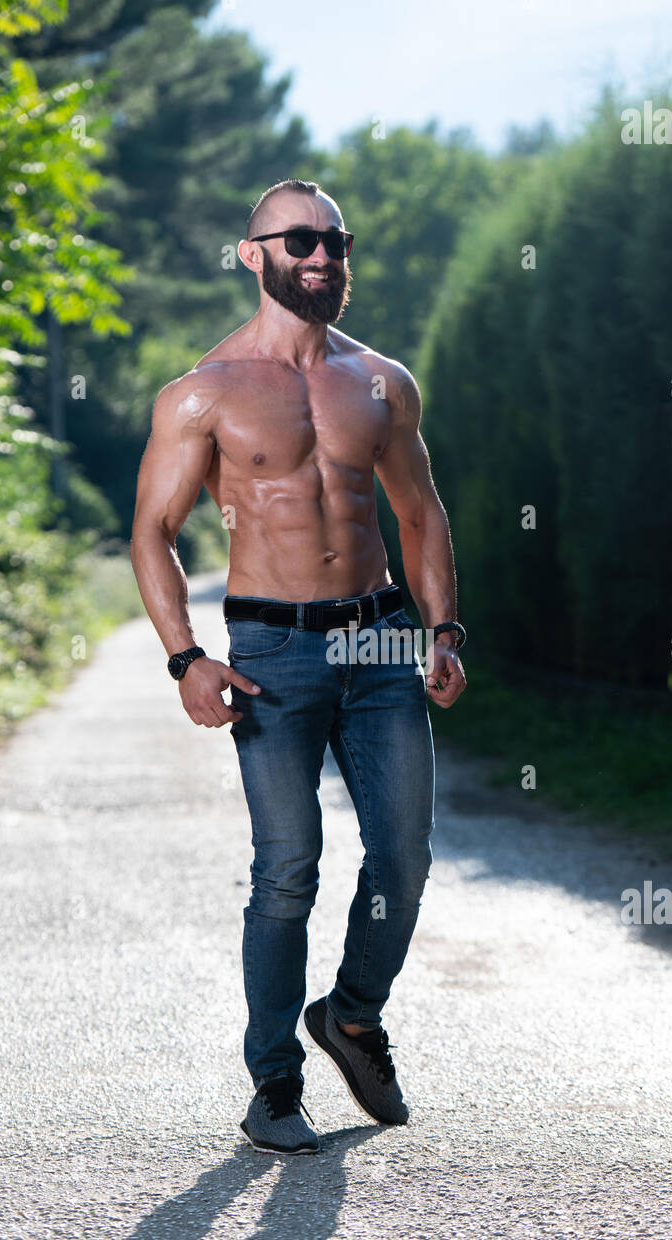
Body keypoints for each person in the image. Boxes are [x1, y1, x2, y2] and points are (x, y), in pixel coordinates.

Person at [130, 178, 466, 1156]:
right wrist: (185, 658)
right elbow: (152, 535)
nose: (322, 256)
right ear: (253, 254)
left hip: (379, 639)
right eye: (300, 240)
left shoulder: (379, 383)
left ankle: (351, 1015)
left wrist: (442, 630)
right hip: (271, 649)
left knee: (401, 857)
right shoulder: (203, 392)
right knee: (287, 869)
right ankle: (273, 1084)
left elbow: (419, 512)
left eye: (335, 240)